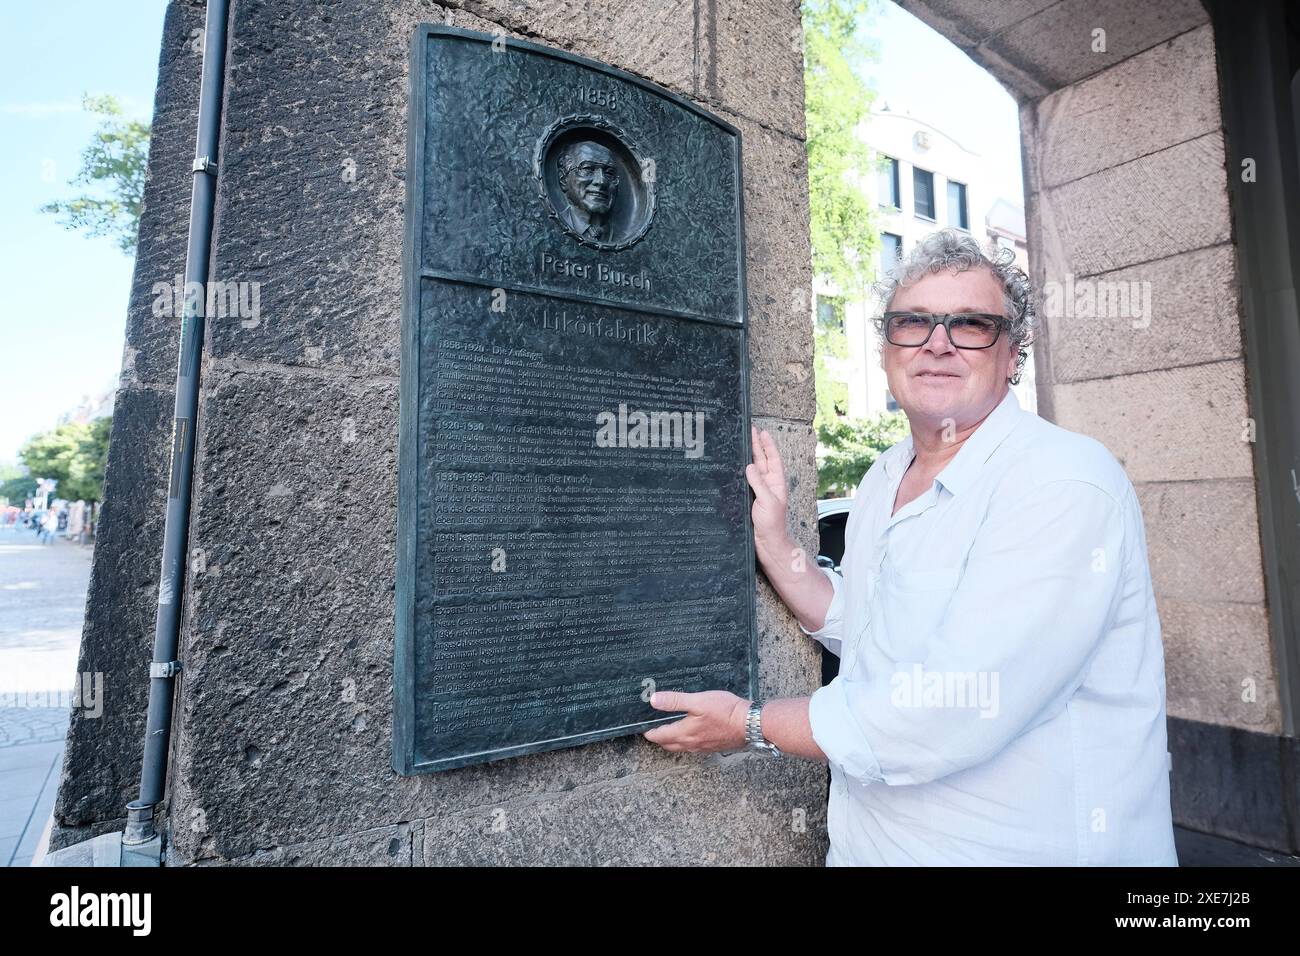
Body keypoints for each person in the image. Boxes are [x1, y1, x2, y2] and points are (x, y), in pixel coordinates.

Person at [643, 229, 1178, 866]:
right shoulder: (885, 474)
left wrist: (749, 723)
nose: (937, 343)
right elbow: (866, 629)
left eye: (972, 324)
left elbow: (948, 705)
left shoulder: (1062, 482)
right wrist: (777, 543)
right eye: (912, 322)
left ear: (1013, 354)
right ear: (885, 349)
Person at [556, 140, 618, 241]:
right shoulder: (552, 224)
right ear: (564, 180)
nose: (601, 181)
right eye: (588, 169)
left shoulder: (624, 236)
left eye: (609, 173)